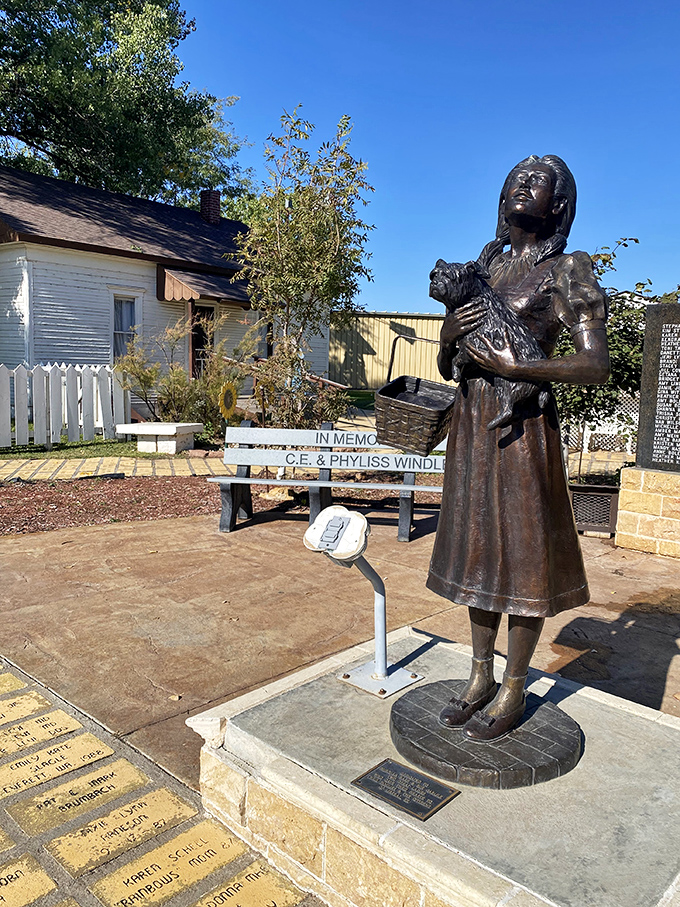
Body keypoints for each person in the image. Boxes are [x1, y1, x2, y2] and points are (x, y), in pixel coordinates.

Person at [427, 154, 609, 742]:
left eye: (535, 183)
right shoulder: (485, 263)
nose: (519, 188)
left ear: (558, 205)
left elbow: (595, 363)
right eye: (512, 181)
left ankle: (513, 684)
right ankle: (479, 675)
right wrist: (449, 336)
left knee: (523, 557)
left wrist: (524, 364)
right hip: (474, 423)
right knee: (479, 551)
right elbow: (449, 365)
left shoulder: (567, 268)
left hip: (524, 426)